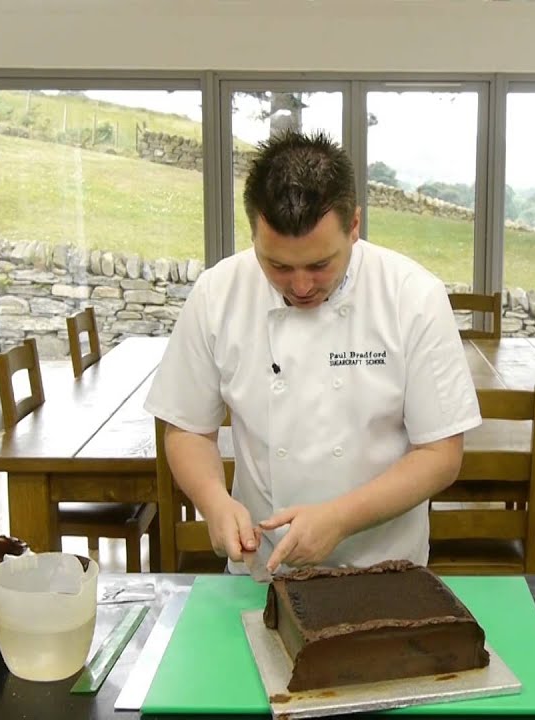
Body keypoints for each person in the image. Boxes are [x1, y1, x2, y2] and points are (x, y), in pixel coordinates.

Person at [143, 129, 482, 576]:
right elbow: (187, 430)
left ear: (355, 226)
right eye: (278, 266)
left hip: (385, 574)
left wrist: (340, 519)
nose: (300, 286)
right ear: (253, 235)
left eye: (320, 265)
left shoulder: (412, 296)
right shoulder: (217, 294)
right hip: (265, 572)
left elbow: (441, 453)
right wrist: (214, 501)